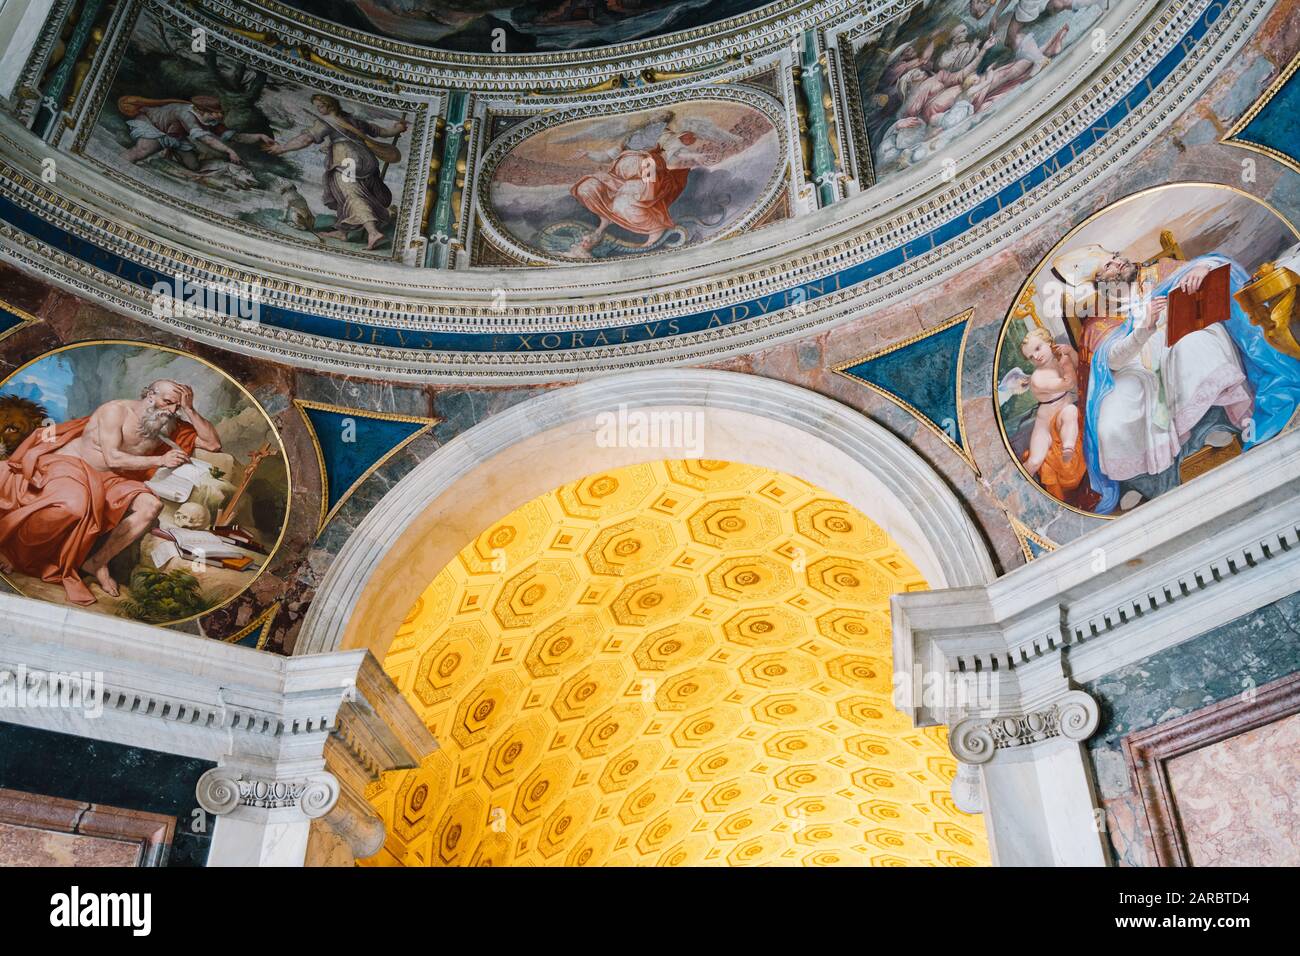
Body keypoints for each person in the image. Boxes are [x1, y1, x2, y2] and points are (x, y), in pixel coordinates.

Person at [0, 381, 221, 604]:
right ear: (151, 395)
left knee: (151, 506)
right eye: (168, 402)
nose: (172, 410)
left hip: (112, 479)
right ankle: (16, 554)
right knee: (73, 506)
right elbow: (112, 457)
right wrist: (160, 459)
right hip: (72, 466)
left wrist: (190, 410)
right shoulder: (115, 411)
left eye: (177, 406)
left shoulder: (167, 423)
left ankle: (97, 562)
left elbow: (213, 444)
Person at [264, 94, 408, 250]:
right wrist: (398, 129)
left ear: (329, 106)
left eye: (320, 106)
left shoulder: (327, 122)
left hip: (347, 161)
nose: (318, 109)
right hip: (367, 160)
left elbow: (305, 139)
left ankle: (373, 233)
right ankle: (343, 232)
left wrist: (283, 148)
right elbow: (382, 131)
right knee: (345, 192)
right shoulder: (356, 122)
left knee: (350, 194)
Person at [119, 94, 272, 169]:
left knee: (193, 166)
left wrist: (259, 136)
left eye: (219, 112)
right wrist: (229, 151)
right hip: (153, 126)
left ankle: (163, 158)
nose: (219, 115)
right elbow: (207, 140)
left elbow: (235, 136)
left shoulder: (211, 120)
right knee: (141, 152)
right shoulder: (186, 114)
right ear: (202, 110)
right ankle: (119, 166)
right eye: (215, 112)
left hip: (174, 135)